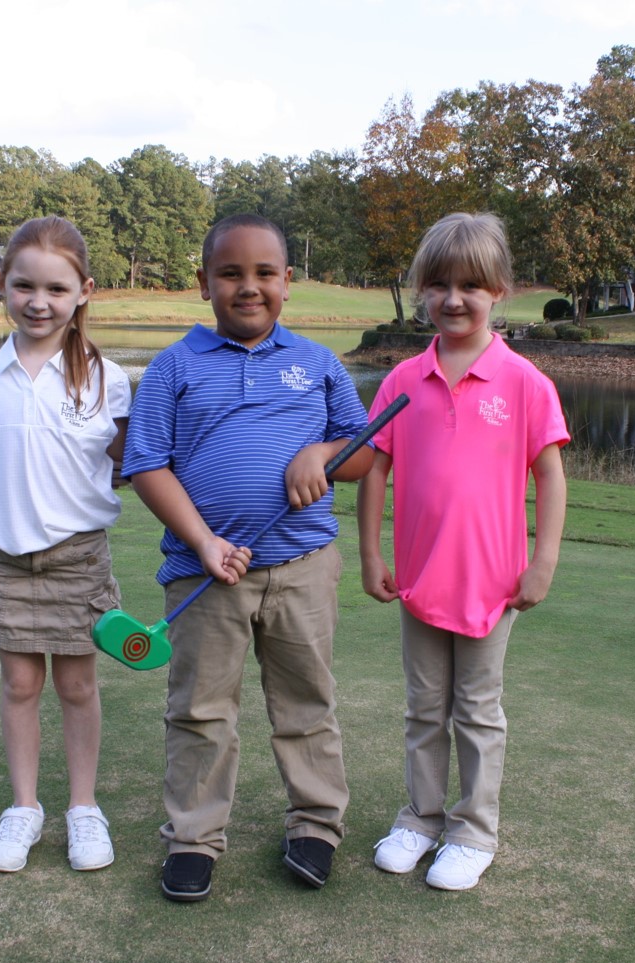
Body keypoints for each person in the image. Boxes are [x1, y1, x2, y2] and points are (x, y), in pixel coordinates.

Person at [123, 213, 375, 902]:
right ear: (204, 282)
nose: (248, 286)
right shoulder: (174, 366)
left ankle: (317, 824)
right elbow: (147, 464)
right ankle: (194, 837)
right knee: (201, 710)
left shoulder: (318, 364)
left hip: (302, 568)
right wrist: (203, 542)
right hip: (206, 573)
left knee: (306, 702)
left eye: (265, 273)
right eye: (230, 273)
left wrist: (321, 453)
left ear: (288, 283)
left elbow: (365, 449)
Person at [358, 212, 569, 891]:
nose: (454, 298)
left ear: (500, 289)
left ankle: (473, 830)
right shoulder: (401, 381)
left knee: (477, 711)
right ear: (423, 289)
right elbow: (373, 470)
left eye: (471, 285)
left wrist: (543, 561)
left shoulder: (525, 382)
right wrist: (370, 554)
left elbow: (550, 475)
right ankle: (419, 819)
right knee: (424, 708)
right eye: (441, 284)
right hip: (419, 578)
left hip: (494, 581)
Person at [0, 216, 131, 874]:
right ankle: (24, 806)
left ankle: (84, 807)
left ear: (84, 291)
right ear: (1, 285)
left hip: (78, 555)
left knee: (77, 684)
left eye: (56, 287)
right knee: (20, 683)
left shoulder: (108, 379)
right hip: (6, 556)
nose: (39, 300)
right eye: (23, 285)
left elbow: (127, 464)